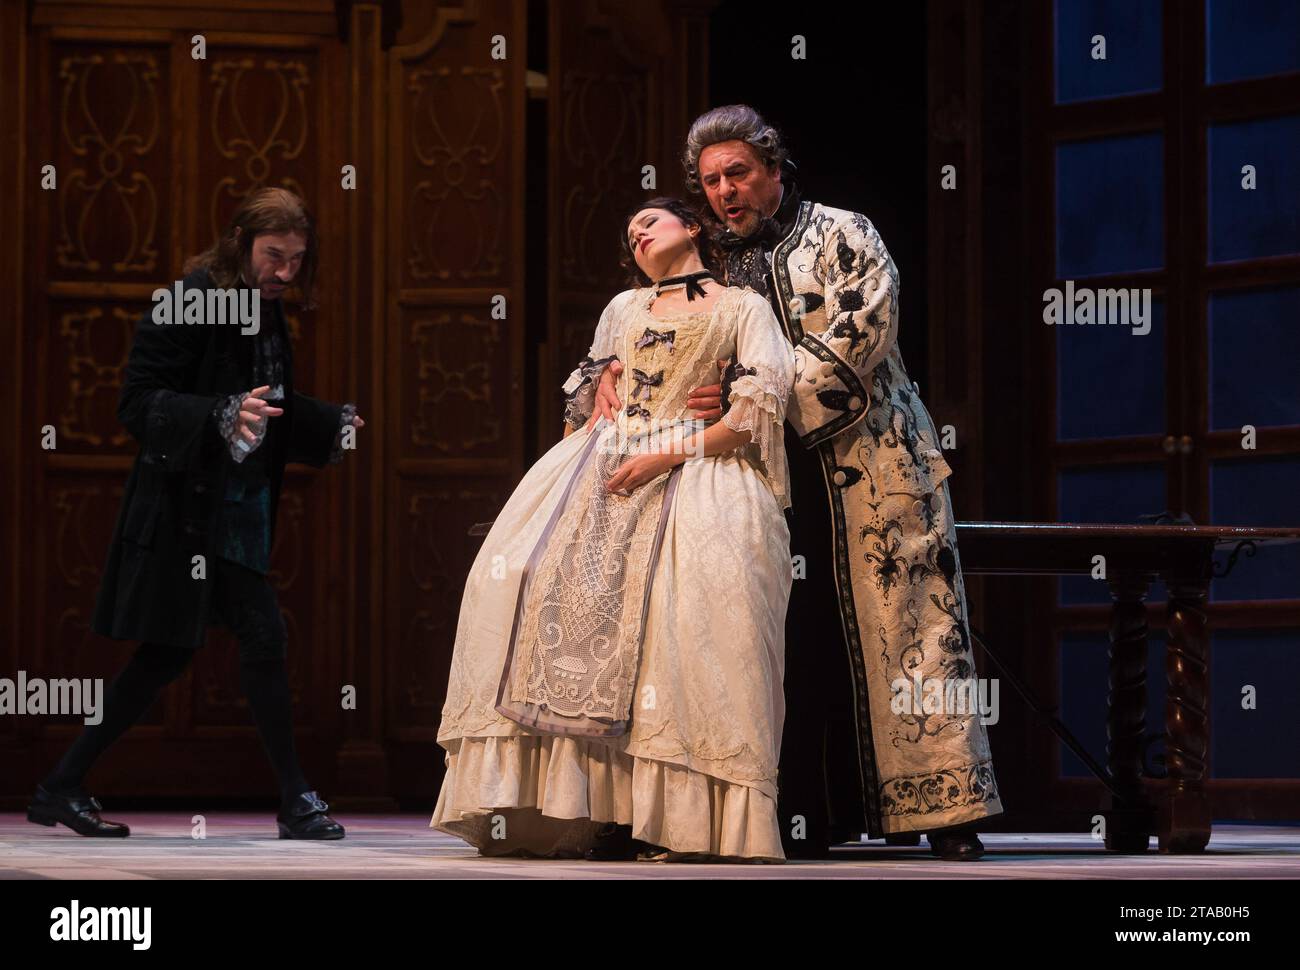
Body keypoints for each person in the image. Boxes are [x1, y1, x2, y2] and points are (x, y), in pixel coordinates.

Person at [590, 106, 1003, 860]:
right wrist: (609, 368)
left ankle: (944, 810)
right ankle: (801, 810)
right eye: (712, 181)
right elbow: (651, 327)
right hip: (752, 476)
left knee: (910, 631)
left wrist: (756, 398)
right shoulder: (708, 260)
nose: (725, 192)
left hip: (870, 464)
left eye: (739, 173)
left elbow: (859, 336)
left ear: (776, 170)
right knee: (772, 637)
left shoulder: (845, 232)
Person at [431, 197, 796, 862]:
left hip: (698, 464)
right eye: (629, 232)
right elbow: (588, 397)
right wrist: (593, 408)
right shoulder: (622, 310)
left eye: (650, 221)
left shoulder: (743, 307)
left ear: (692, 227)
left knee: (692, 606)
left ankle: (689, 821)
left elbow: (754, 417)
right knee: (516, 576)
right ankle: (581, 806)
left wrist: (666, 454)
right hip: (609, 458)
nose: (637, 233)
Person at [28, 188, 363, 840]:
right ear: (242, 243)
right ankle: (295, 800)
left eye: (297, 260)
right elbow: (137, 401)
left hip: (235, 509)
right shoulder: (194, 297)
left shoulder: (263, 306)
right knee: (260, 638)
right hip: (188, 513)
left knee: (166, 656)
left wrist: (329, 426)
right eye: (274, 256)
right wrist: (217, 413)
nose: (286, 273)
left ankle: (60, 784)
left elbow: (268, 401)